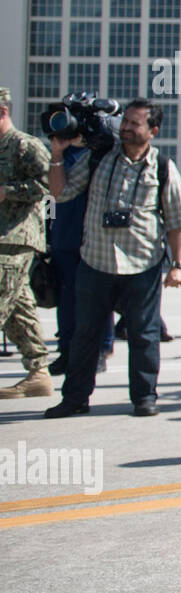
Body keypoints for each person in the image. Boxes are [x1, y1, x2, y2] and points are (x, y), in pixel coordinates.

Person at [44, 99, 181, 418]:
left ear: (153, 131)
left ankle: (143, 396)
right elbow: (61, 194)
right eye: (124, 121)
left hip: (143, 265)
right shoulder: (97, 159)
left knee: (144, 334)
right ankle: (75, 399)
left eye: (134, 123)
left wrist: (178, 266)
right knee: (85, 335)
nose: (125, 127)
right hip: (96, 263)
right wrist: (57, 157)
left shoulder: (163, 167)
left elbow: (178, 221)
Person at [0, 86, 54, 399]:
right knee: (19, 309)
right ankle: (38, 373)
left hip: (16, 239)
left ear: (3, 111)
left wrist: (9, 191)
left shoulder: (24, 145)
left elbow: (49, 185)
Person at [47, 132, 115, 376]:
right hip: (64, 237)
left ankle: (102, 349)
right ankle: (66, 350)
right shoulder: (57, 156)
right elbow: (49, 199)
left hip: (92, 238)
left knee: (98, 299)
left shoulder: (99, 153)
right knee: (65, 299)